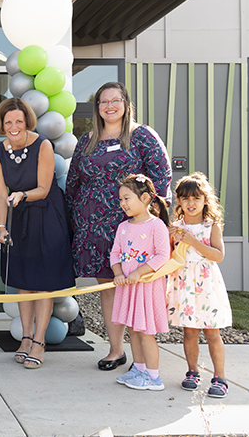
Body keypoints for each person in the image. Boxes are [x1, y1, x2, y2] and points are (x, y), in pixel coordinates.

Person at [65, 81, 172, 371]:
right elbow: (73, 181)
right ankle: (115, 350)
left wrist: (153, 218)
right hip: (92, 224)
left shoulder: (143, 136)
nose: (109, 106)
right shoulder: (86, 140)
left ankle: (143, 354)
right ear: (97, 107)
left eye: (115, 100)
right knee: (108, 285)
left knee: (134, 284)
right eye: (103, 101)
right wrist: (71, 218)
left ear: (126, 104)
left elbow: (161, 177)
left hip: (131, 224)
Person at [0, 98, 76, 369]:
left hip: (46, 215)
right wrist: (2, 227)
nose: (13, 127)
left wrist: (22, 195)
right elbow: (0, 193)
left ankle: (39, 342)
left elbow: (43, 187)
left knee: (43, 282)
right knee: (23, 281)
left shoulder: (43, 145)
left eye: (18, 121)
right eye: (8, 122)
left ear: (27, 121)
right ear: (1, 124)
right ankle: (25, 338)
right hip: (18, 216)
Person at [166, 172, 232, 398]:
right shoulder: (175, 227)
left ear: (205, 200)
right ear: (179, 202)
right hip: (184, 284)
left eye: (196, 198)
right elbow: (169, 257)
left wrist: (192, 240)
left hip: (207, 284)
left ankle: (220, 377)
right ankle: (192, 372)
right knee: (190, 332)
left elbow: (218, 255)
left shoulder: (210, 226)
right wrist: (170, 238)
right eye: (185, 199)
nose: (190, 203)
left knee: (212, 332)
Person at [110, 174, 171, 391]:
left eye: (127, 198)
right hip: (128, 288)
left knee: (146, 332)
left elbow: (163, 255)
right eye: (120, 200)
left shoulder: (157, 226)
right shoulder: (123, 227)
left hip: (146, 288)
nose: (123, 203)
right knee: (133, 330)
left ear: (145, 198)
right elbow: (115, 253)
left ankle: (153, 377)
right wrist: (118, 272)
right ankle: (139, 369)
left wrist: (139, 272)